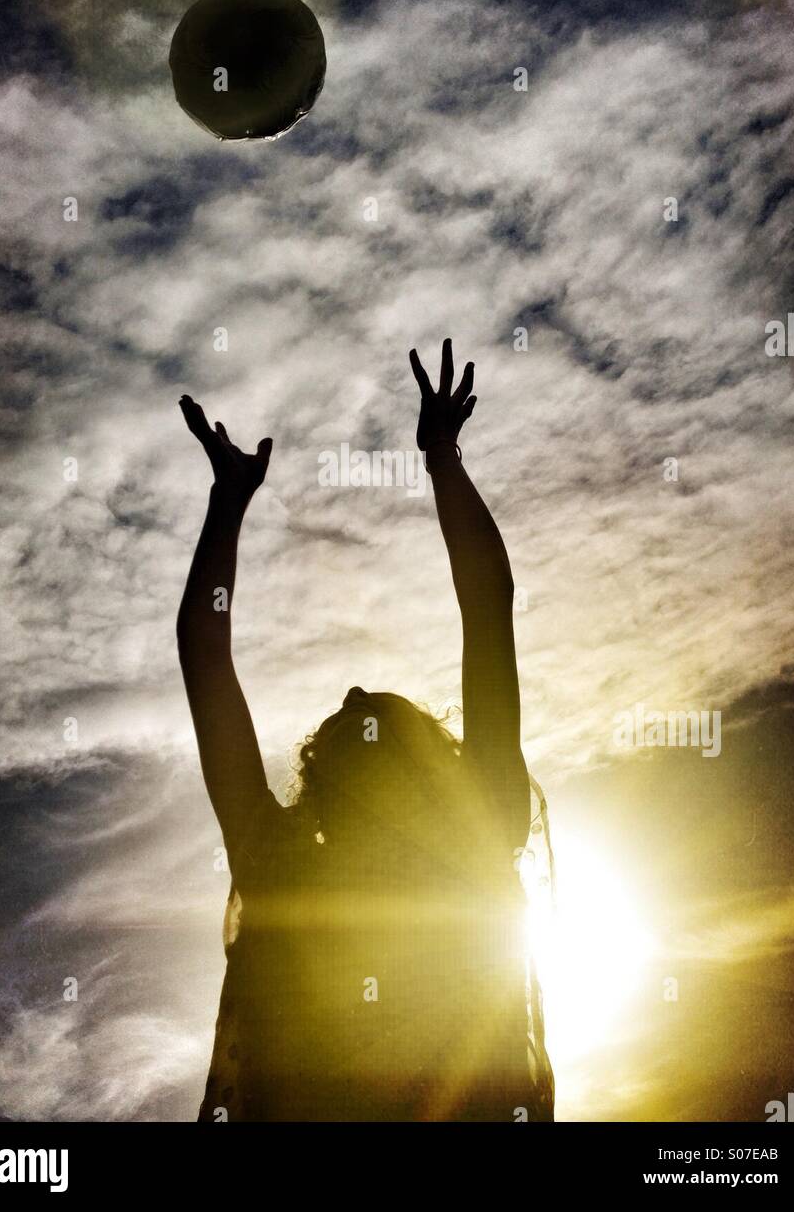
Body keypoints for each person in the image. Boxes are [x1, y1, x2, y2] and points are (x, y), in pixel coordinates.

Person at [177, 339, 554, 1121]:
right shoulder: (478, 835)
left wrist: (229, 503)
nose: (351, 691)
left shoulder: (283, 874)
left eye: (363, 715)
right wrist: (441, 459)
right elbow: (489, 604)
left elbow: (203, 656)